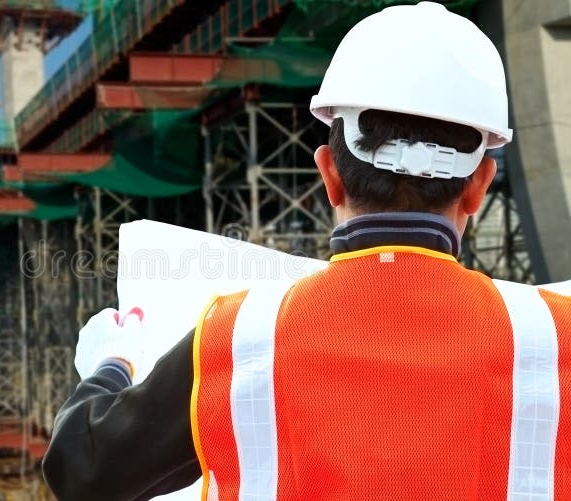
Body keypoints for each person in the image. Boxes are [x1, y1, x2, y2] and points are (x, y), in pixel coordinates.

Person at [42, 2, 571, 499]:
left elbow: (80, 468)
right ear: (480, 185)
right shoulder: (556, 339)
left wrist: (112, 362)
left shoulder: (239, 337)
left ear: (330, 174)